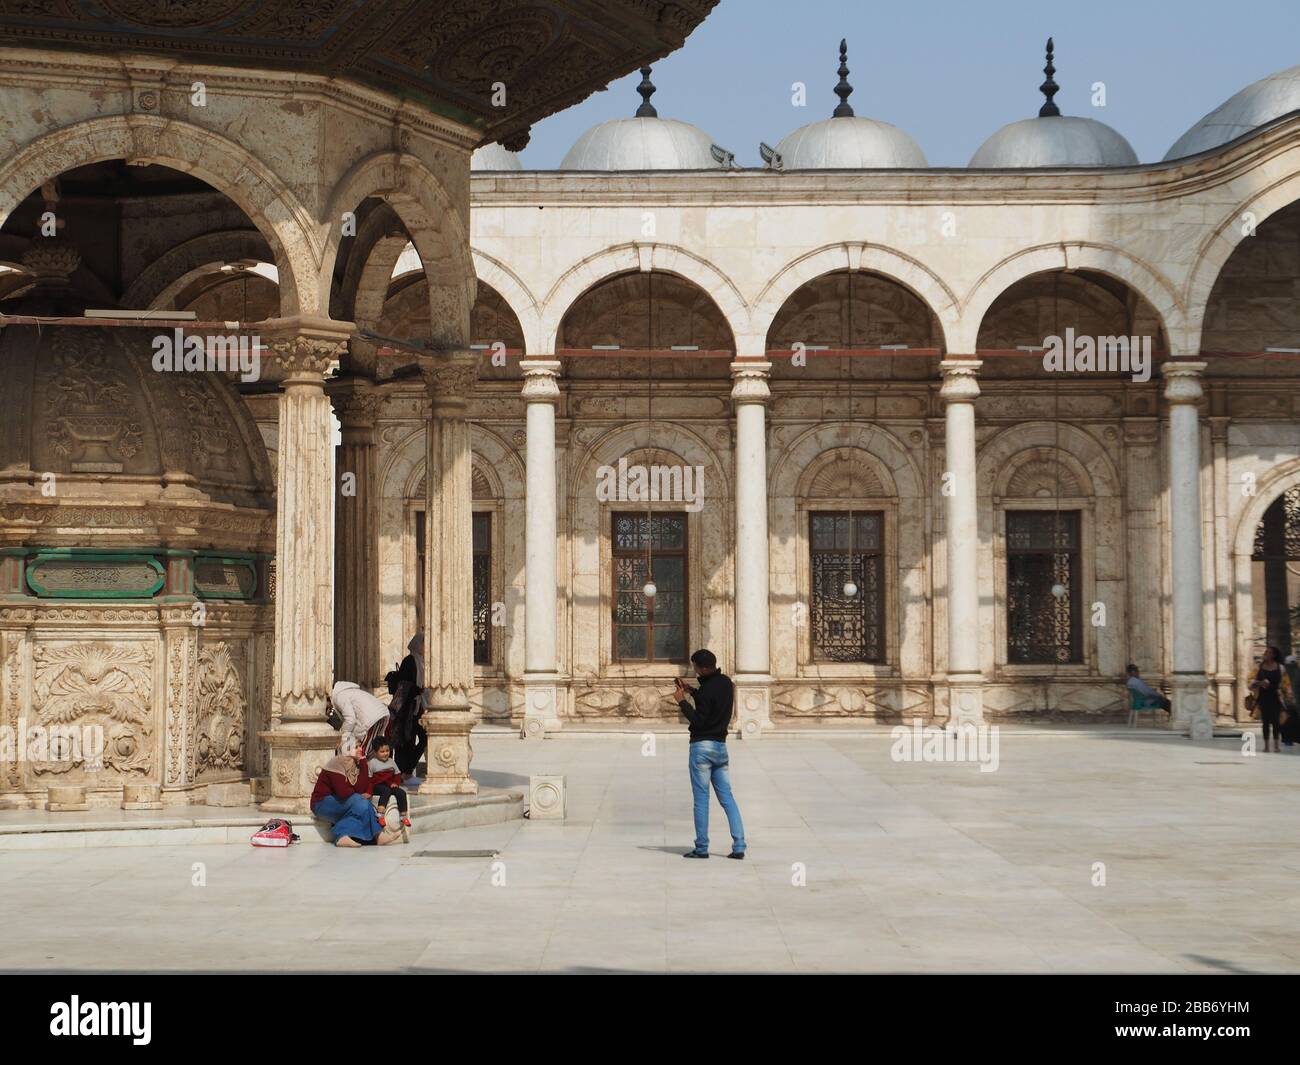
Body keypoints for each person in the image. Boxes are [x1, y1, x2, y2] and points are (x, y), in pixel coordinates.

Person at [674, 648, 746, 860]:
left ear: (703, 667)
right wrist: (692, 691)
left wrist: (682, 701)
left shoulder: (706, 690)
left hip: (702, 748)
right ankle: (739, 845)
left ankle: (702, 847)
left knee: (701, 799)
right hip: (721, 748)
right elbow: (711, 699)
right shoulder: (725, 683)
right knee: (727, 798)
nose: (695, 671)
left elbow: (699, 720)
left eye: (696, 667)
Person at [310, 749, 398, 848]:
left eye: (360, 746)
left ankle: (343, 837)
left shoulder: (356, 764)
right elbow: (342, 792)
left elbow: (362, 788)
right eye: (356, 746)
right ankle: (377, 835)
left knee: (363, 805)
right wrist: (355, 791)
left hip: (340, 803)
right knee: (360, 801)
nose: (360, 749)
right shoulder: (336, 763)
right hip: (321, 803)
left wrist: (363, 761)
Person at [391, 634, 428, 786]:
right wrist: (418, 691)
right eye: (424, 644)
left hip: (416, 708)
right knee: (405, 740)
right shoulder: (410, 661)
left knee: (423, 738)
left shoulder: (421, 661)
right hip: (406, 709)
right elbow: (404, 685)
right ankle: (402, 774)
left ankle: (406, 772)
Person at [330, 680, 389, 759]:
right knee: (371, 750)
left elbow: (350, 718)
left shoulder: (339, 696)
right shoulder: (349, 692)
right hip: (380, 714)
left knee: (362, 751)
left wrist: (344, 734)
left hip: (371, 718)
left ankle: (362, 770)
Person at [368, 737, 410, 839]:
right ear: (375, 752)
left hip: (389, 784)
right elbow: (368, 779)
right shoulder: (372, 763)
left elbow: (397, 774)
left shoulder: (391, 761)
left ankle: (403, 816)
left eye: (387, 751)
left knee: (401, 793)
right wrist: (368, 791)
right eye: (382, 751)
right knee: (385, 791)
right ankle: (380, 814)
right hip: (377, 786)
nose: (385, 753)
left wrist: (396, 783)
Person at [1251, 646, 1288, 753]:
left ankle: (1276, 745)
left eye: (1269, 652)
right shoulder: (1259, 667)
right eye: (1266, 652)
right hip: (1263, 697)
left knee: (1276, 721)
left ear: (1274, 655)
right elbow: (1251, 683)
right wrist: (1260, 683)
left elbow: (1285, 683)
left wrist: (1286, 695)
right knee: (1265, 722)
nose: (1266, 654)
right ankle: (1266, 745)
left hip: (1276, 697)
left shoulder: (1280, 668)